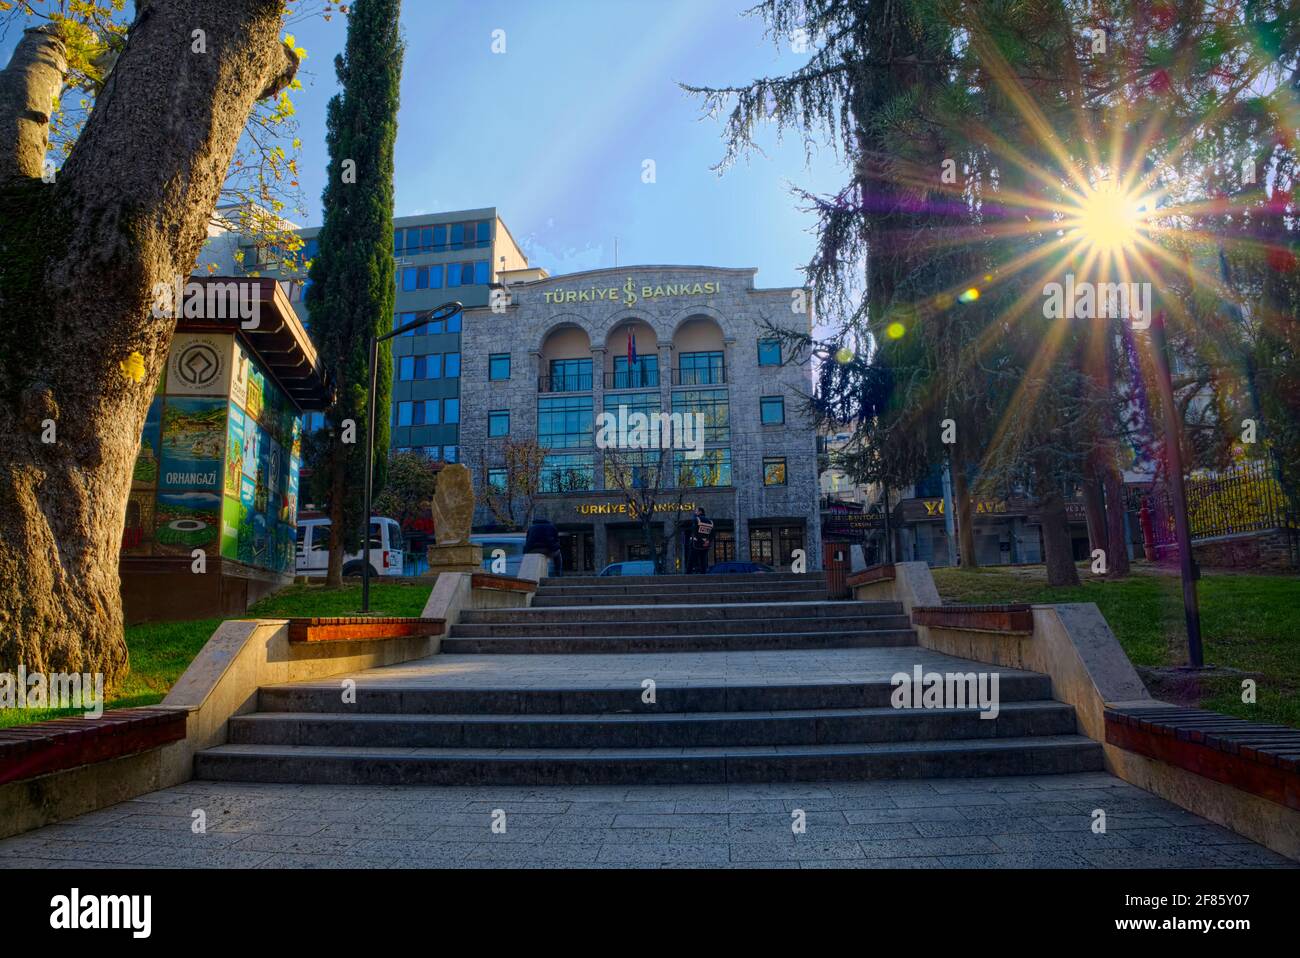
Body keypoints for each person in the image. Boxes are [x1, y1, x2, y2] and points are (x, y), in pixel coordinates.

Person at [524, 513, 563, 577]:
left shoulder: (531, 527)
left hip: (532, 550)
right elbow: (556, 540)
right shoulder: (551, 527)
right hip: (547, 549)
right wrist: (556, 547)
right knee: (558, 553)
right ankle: (558, 572)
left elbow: (527, 540)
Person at [686, 507, 713, 574]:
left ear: (700, 512)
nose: (695, 512)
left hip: (695, 543)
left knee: (691, 560)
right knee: (703, 560)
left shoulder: (696, 519)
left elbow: (694, 531)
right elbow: (712, 534)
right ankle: (703, 574)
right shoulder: (710, 521)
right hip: (705, 545)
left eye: (696, 511)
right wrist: (707, 541)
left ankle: (688, 574)